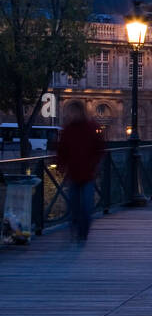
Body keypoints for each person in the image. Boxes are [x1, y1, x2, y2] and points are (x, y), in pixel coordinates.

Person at [55, 101, 105, 243]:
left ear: (80, 112)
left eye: (73, 111)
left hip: (87, 173)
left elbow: (98, 148)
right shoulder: (68, 129)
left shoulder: (90, 128)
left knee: (86, 206)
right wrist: (60, 165)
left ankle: (83, 232)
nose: (71, 114)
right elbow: (62, 150)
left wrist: (95, 165)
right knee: (74, 205)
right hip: (74, 172)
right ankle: (76, 229)